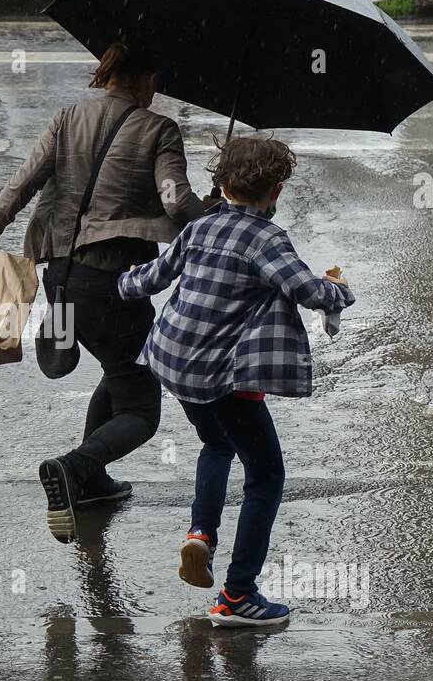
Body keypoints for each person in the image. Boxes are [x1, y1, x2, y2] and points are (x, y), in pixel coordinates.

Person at [0, 42, 212, 541]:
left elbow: (25, 179)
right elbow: (175, 200)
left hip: (59, 278)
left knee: (121, 369)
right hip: (112, 283)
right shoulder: (158, 128)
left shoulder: (68, 117)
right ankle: (73, 467)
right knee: (142, 408)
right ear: (146, 79)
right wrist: (215, 217)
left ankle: (93, 480)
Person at [118, 135, 354, 626]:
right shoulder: (267, 239)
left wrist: (121, 282)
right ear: (277, 192)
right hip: (225, 373)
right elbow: (306, 290)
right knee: (266, 477)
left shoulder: (201, 226)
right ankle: (237, 597)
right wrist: (339, 291)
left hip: (174, 361)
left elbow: (154, 277)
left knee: (216, 445)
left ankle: (200, 534)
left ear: (221, 184)